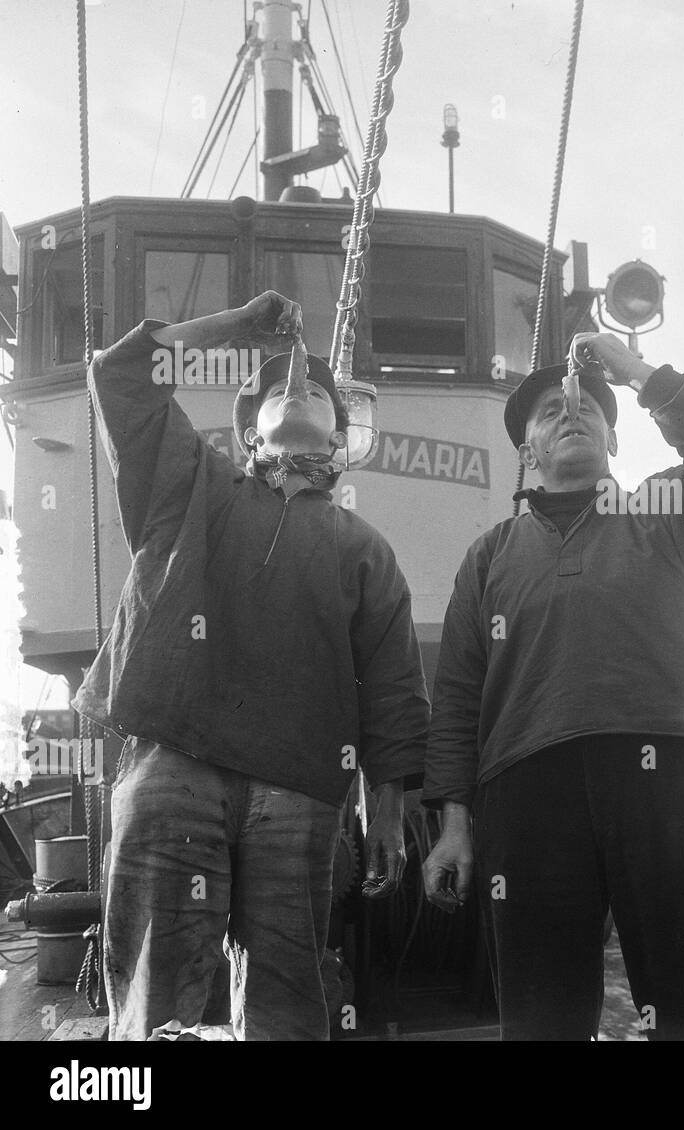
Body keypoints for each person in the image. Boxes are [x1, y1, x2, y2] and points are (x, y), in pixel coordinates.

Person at [74, 291, 428, 1040]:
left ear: (340, 437)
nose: (297, 389)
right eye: (274, 388)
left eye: (316, 394)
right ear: (245, 429)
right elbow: (124, 375)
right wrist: (238, 324)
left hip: (300, 791)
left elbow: (393, 689)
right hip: (175, 771)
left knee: (288, 1006)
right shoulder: (184, 480)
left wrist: (388, 813)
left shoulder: (366, 550)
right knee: (155, 996)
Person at [421, 332, 684, 1040]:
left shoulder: (667, 510)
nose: (570, 413)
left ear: (613, 434)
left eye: (587, 407)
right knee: (542, 1016)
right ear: (528, 449)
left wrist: (634, 370)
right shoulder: (488, 555)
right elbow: (457, 694)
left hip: (662, 773)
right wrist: (454, 824)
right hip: (525, 789)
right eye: (549, 411)